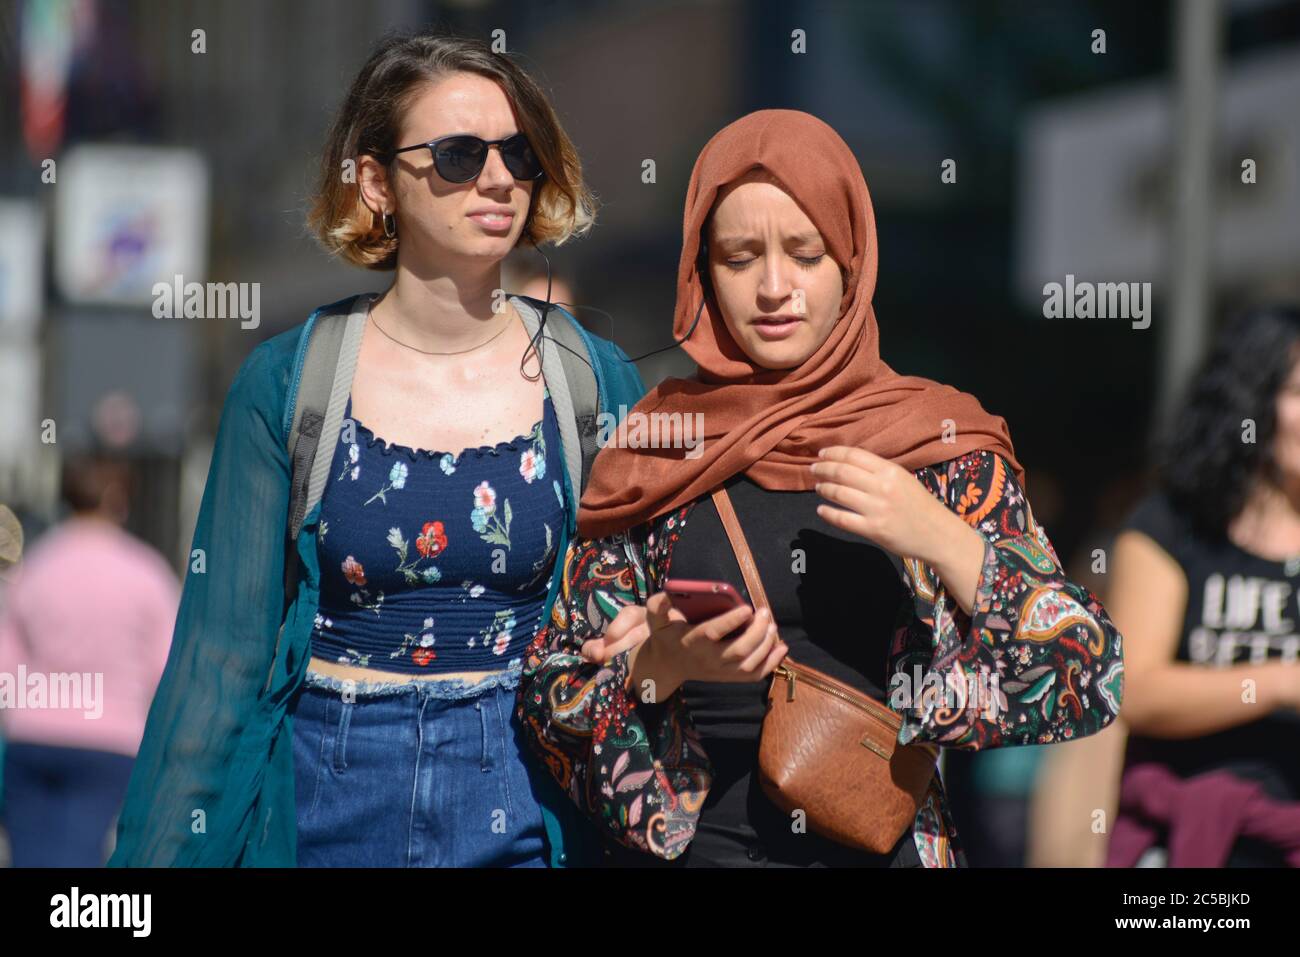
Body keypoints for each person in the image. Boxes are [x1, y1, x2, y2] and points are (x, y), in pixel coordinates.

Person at [517, 109, 1125, 867]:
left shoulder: (937, 444)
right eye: (740, 257)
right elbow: (550, 701)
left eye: (805, 254)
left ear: (852, 260)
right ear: (702, 272)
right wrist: (661, 666)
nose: (774, 288)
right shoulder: (656, 443)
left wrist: (939, 535)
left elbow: (1085, 678)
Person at [107, 30, 643, 868]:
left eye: (517, 153)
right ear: (375, 181)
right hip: (325, 800)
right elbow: (221, 662)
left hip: (525, 798)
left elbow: (643, 601)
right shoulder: (289, 381)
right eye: (460, 156)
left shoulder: (594, 378)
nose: (498, 178)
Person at [1106, 304, 1300, 868]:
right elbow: (1132, 693)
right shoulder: (1172, 527)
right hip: (1191, 842)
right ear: (1251, 405)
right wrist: (1282, 684)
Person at [0, 456, 178, 866]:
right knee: (85, 858)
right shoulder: (146, 573)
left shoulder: (37, 566)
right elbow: (165, 669)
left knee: (30, 855)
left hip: (33, 734)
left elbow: (8, 663)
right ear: (120, 502)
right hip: (111, 741)